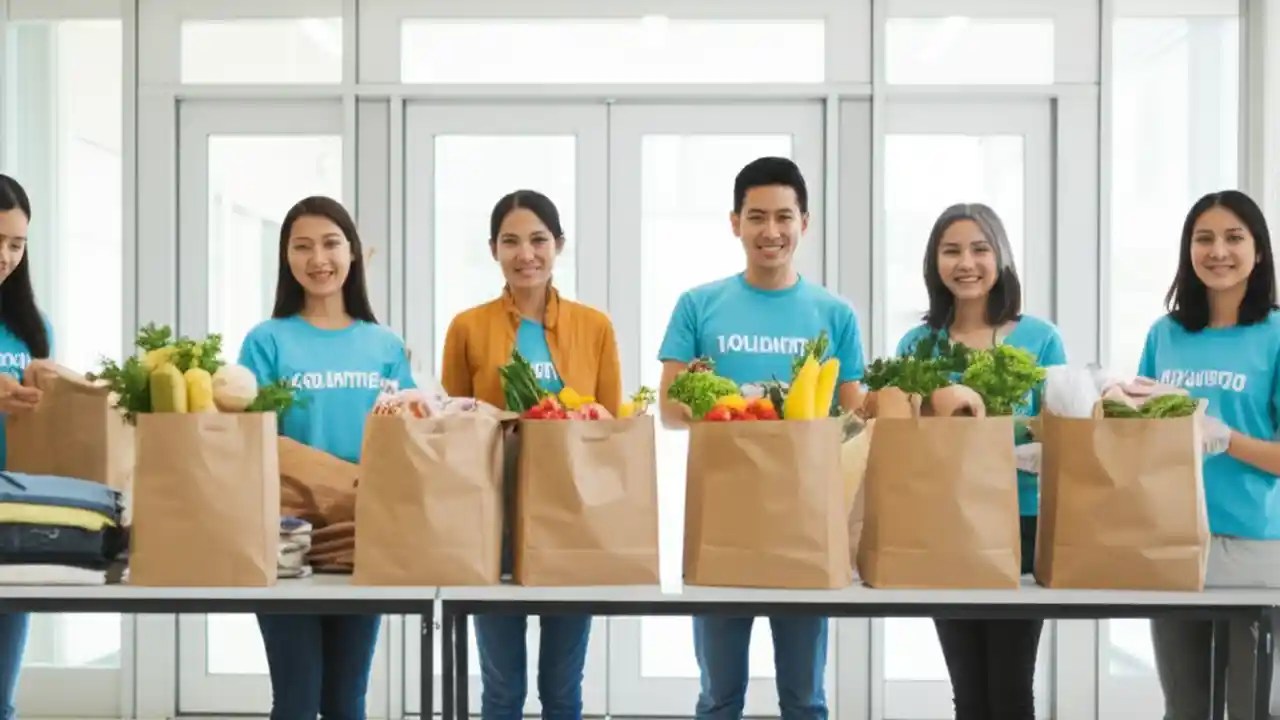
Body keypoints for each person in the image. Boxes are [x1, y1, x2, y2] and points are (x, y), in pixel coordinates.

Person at [657, 156, 865, 720]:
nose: (770, 232)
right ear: (734, 223)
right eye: (756, 217)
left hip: (804, 517)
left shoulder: (835, 313)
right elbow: (670, 409)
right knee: (719, 696)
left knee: (804, 698)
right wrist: (725, 402)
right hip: (724, 515)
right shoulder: (698, 305)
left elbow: (853, 421)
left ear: (805, 223)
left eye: (783, 217)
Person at [440, 189, 621, 720]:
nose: (527, 254)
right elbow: (451, 422)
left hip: (572, 518)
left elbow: (612, 428)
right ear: (494, 248)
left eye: (539, 240)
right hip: (490, 517)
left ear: (559, 245)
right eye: (511, 241)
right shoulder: (467, 327)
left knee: (563, 688)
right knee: (501, 689)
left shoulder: (595, 327)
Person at [239, 195, 415, 720]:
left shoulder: (384, 344)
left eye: (331, 243)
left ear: (354, 253)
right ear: (286, 258)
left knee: (346, 700)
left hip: (364, 532)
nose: (319, 258)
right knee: (295, 699)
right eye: (303, 246)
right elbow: (248, 438)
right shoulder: (266, 340)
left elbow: (405, 436)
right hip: (284, 538)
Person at [894, 202, 1066, 720]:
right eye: (951, 251)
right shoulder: (917, 344)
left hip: (1023, 519)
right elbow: (903, 444)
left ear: (1001, 258)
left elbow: (1059, 426)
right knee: (967, 689)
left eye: (979, 249)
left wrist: (1031, 446)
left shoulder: (1039, 338)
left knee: (1012, 687)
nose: (965, 263)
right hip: (945, 523)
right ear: (935, 264)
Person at [1142, 190, 1280, 720]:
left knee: (1254, 708)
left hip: (1258, 547)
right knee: (1186, 707)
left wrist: (1226, 438)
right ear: (1188, 251)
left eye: (1234, 237)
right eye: (1204, 239)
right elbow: (1143, 429)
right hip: (1175, 542)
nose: (1218, 251)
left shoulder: (1274, 334)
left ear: (1259, 251)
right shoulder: (1166, 335)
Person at [0, 174, 49, 720]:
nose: (7, 255)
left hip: (13, 520)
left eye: (17, 244)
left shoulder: (34, 331)